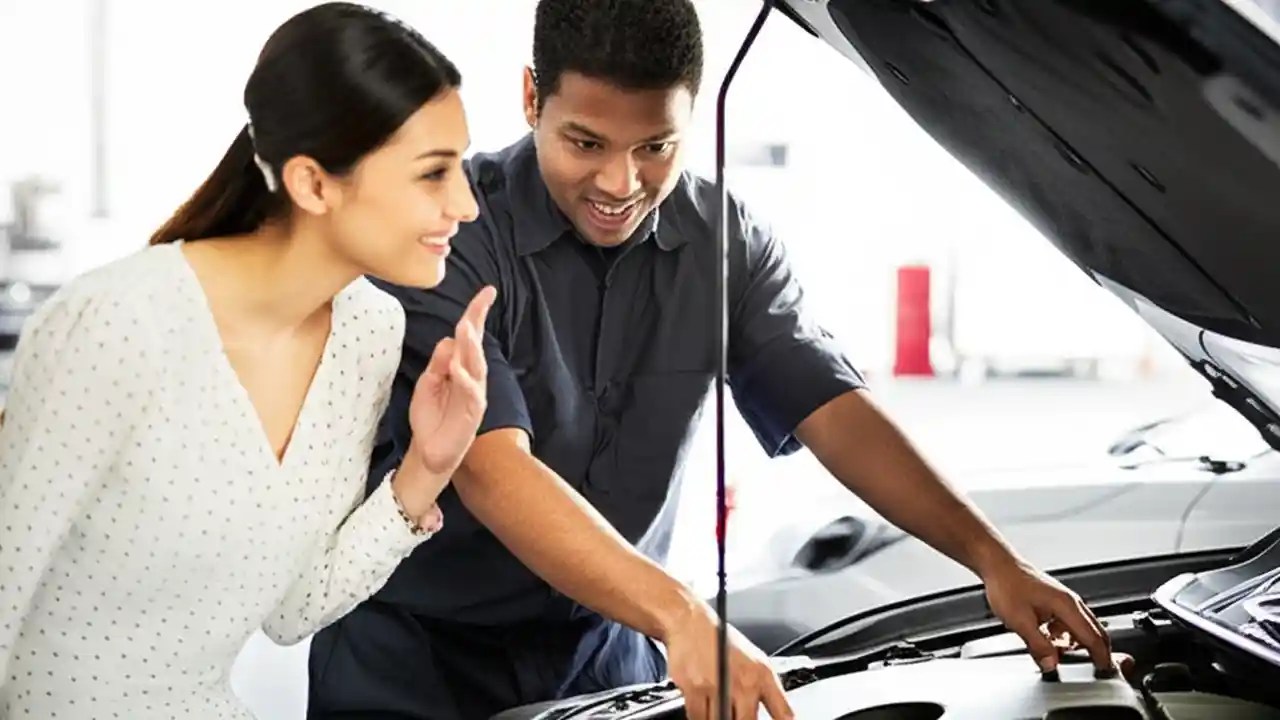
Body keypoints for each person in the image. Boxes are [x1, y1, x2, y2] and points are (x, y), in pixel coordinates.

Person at [307, 1, 1115, 719]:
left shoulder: (725, 243)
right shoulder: (446, 237)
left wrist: (992, 559)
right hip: (414, 671)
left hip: (606, 664)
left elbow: (835, 410)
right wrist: (684, 615)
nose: (620, 182)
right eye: (585, 142)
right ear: (530, 98)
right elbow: (489, 467)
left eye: (656, 145)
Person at [0, 4, 496, 718]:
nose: (467, 205)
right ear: (313, 183)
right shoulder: (114, 325)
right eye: (433, 174)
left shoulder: (368, 331)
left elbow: (294, 610)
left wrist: (428, 468)